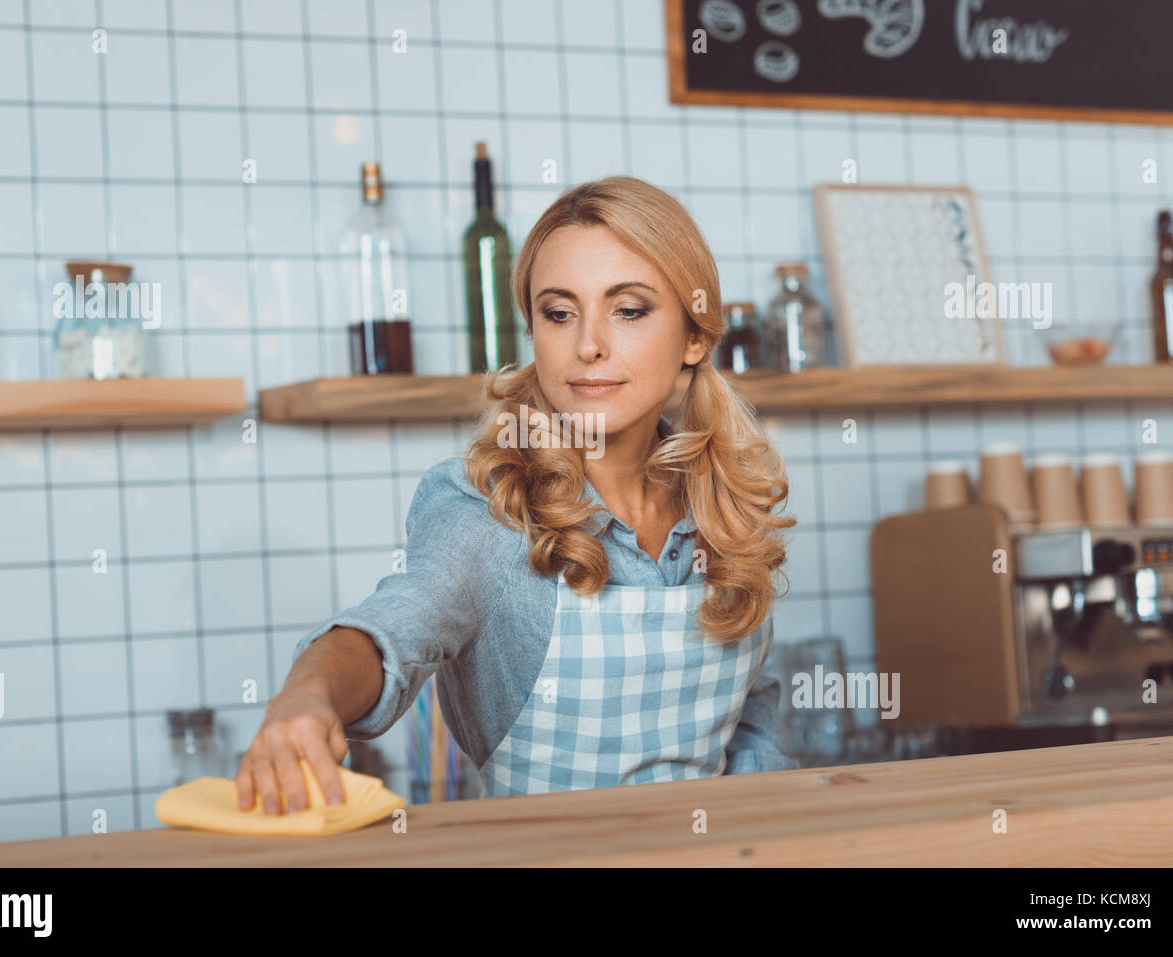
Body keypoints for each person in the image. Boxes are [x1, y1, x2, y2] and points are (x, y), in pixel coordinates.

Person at [236, 175, 797, 814]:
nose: (588, 345)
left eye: (629, 309)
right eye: (558, 313)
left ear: (695, 336)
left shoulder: (721, 509)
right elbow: (394, 623)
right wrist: (307, 696)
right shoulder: (492, 515)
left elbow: (749, 711)